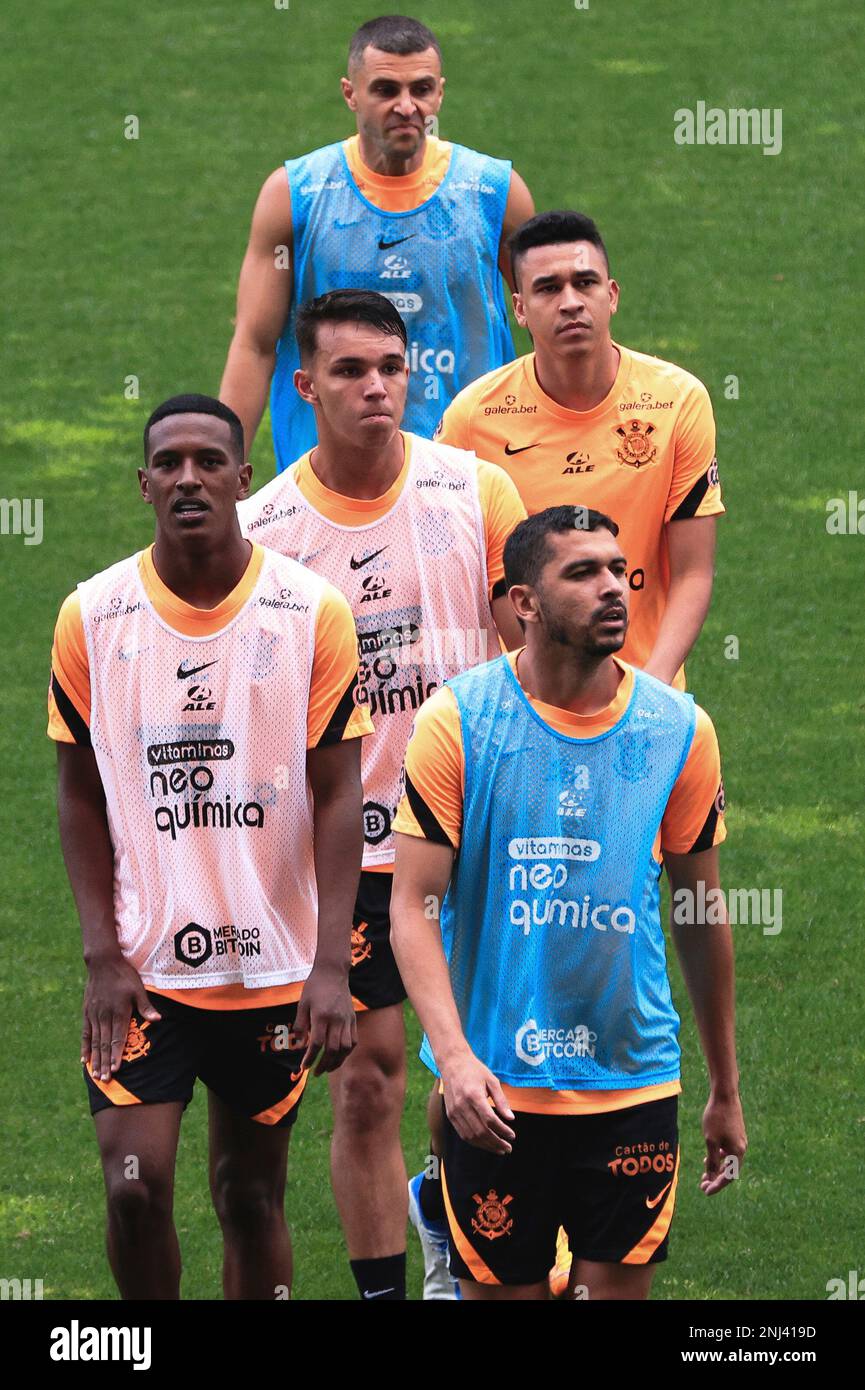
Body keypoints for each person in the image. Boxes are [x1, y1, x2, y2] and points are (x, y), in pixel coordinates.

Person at [49, 394, 372, 1300]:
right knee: (136, 1189)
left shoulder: (311, 612)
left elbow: (340, 791)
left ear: (241, 477)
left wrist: (329, 965)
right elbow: (78, 792)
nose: (188, 477)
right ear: (143, 483)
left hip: (270, 967)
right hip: (144, 971)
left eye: (208, 461)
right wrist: (101, 954)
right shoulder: (93, 615)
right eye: (169, 463)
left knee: (249, 1194)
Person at [237, 289, 526, 1301]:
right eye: (351, 371)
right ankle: (385, 1295)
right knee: (366, 1080)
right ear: (305, 385)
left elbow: (527, 651)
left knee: (484, 1067)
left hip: (475, 831)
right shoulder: (261, 532)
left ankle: (458, 1233)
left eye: (391, 368)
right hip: (344, 852)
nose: (375, 387)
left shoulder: (474, 492)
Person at [391, 506, 747, 1300]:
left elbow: (700, 915)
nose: (614, 587)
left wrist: (723, 1086)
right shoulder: (457, 722)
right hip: (496, 1086)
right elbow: (412, 906)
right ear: (524, 601)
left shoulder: (678, 729)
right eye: (583, 573)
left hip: (634, 1081)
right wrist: (453, 1059)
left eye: (619, 570)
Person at [219, 12, 534, 472]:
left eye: (421, 90)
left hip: (469, 475)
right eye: (386, 90)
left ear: (440, 92)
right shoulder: (295, 195)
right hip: (330, 478)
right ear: (351, 93)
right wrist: (224, 470)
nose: (407, 106)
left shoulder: (495, 193)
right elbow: (254, 344)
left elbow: (545, 328)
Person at [435, 210, 724, 690]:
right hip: (523, 700)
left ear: (610, 296)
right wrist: (530, 687)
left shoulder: (677, 401)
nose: (570, 302)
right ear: (520, 308)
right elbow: (461, 579)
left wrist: (650, 692)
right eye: (548, 288)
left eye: (584, 282)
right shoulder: (473, 418)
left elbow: (693, 572)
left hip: (647, 691)